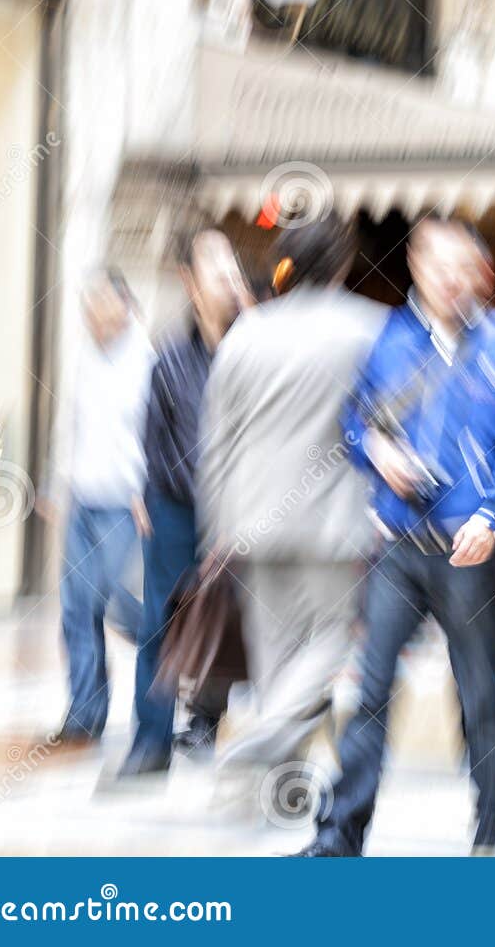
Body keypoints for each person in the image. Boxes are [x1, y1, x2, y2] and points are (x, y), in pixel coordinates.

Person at [300, 219, 495, 857]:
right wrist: (374, 451)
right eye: (436, 261)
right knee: (371, 688)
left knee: (482, 693)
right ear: (414, 263)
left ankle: (494, 832)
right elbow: (355, 422)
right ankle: (339, 836)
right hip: (399, 546)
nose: (449, 275)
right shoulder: (391, 339)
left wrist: (493, 512)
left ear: (482, 272)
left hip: (469, 547)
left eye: (462, 263)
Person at [198, 218, 387, 798]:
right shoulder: (368, 330)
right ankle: (267, 738)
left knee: (277, 652)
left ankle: (277, 789)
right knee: (330, 640)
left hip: (251, 518)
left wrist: (215, 525)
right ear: (339, 265)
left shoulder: (245, 336)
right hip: (332, 520)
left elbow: (216, 440)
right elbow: (392, 421)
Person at [120, 231, 252, 778]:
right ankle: (149, 743)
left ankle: (206, 722)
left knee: (231, 619)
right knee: (159, 620)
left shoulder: (257, 348)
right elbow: (157, 441)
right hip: (177, 505)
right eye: (214, 269)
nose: (226, 278)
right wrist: (146, 494)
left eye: (231, 267)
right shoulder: (169, 359)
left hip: (248, 510)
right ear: (189, 282)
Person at [48, 269, 155, 748]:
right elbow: (68, 423)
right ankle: (84, 713)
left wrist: (145, 493)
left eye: (100, 306)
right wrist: (57, 486)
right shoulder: (84, 358)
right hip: (83, 501)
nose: (92, 317)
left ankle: (175, 679)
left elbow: (155, 436)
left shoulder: (147, 361)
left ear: (124, 304)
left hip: (125, 504)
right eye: (87, 308)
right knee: (76, 609)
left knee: (122, 606)